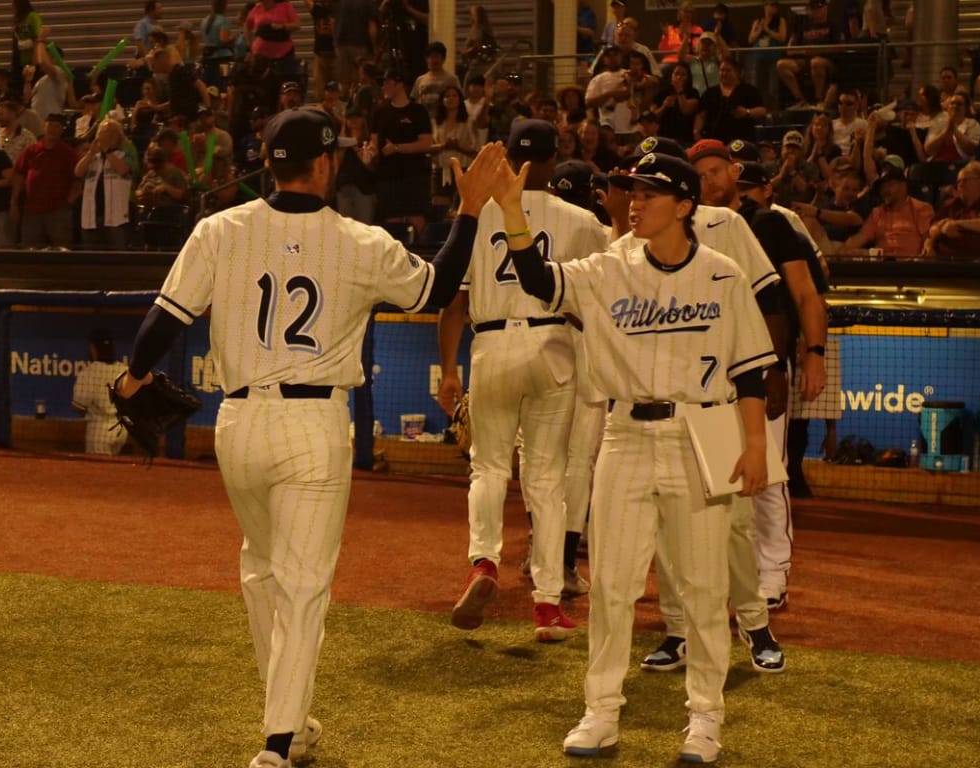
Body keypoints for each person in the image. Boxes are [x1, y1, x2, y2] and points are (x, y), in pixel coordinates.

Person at [111, 107, 507, 768]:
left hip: (238, 424)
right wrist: (467, 211)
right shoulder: (357, 240)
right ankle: (274, 744)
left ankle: (288, 726)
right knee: (301, 585)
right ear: (323, 164)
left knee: (261, 571)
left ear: (269, 161)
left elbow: (163, 320)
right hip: (313, 425)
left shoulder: (220, 228)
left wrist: (132, 378)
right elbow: (434, 288)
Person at [499, 150, 775, 765]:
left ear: (683, 206)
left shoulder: (724, 274)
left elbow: (751, 372)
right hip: (623, 434)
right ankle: (600, 712)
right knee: (614, 587)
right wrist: (515, 215)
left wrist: (754, 444)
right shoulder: (607, 267)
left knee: (704, 591)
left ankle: (705, 718)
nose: (634, 200)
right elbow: (541, 281)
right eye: (630, 189)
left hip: (702, 433)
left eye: (649, 192)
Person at [436, 119, 609, 643]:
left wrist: (448, 370)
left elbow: (453, 300)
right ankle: (547, 606)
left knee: (487, 467)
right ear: (555, 163)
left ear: (509, 160)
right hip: (553, 347)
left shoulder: (480, 213)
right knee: (547, 482)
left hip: (490, 345)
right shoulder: (582, 221)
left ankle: (484, 562)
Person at [689, 143, 826, 615]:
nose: (708, 181)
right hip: (707, 372)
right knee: (713, 478)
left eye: (715, 171)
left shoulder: (769, 223)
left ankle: (774, 571)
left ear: (735, 171)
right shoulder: (688, 229)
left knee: (767, 474)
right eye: (699, 174)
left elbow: (805, 293)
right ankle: (731, 573)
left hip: (762, 364)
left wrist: (813, 353)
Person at [371, 69, 434, 240]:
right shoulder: (380, 112)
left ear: (399, 84)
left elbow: (426, 143)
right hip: (387, 175)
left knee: (416, 215)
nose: (384, 86)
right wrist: (369, 153)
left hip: (413, 174)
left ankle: (422, 251)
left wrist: (397, 148)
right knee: (391, 218)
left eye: (387, 82)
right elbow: (374, 142)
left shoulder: (418, 111)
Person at [837, 157, 934, 258]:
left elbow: (928, 241)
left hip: (911, 267)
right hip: (882, 268)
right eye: (882, 187)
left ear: (903, 186)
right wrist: (844, 250)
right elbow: (860, 237)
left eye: (889, 185)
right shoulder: (877, 212)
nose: (884, 190)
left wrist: (925, 254)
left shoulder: (920, 208)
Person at [11, 113, 80, 248]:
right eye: (50, 125)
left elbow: (77, 179)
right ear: (44, 127)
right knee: (30, 249)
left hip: (57, 210)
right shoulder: (31, 150)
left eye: (57, 126)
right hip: (32, 210)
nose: (52, 129)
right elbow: (18, 175)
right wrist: (13, 202)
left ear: (62, 130)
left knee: (62, 248)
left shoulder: (68, 153)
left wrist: (68, 202)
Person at [925, 161, 980, 260]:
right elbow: (933, 228)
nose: (960, 184)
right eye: (958, 181)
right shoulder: (950, 204)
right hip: (947, 263)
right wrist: (939, 228)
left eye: (965, 180)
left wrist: (957, 224)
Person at [75, 119, 134, 250]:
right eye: (103, 132)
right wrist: (91, 152)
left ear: (118, 136)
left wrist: (107, 152)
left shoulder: (125, 155)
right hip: (92, 216)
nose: (107, 136)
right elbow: (78, 172)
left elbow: (123, 170)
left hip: (116, 218)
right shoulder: (93, 158)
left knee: (116, 258)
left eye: (111, 132)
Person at [71, 330, 131, 455]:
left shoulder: (89, 372)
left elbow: (78, 407)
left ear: (94, 349)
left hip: (99, 430)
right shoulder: (124, 369)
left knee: (96, 471)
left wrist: (95, 411)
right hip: (121, 429)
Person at [776, 0, 840, 110]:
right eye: (814, 8)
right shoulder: (803, 26)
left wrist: (818, 51)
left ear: (826, 8)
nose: (817, 11)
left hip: (827, 59)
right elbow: (790, 49)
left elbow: (839, 47)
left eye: (819, 7)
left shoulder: (833, 25)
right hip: (804, 59)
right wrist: (803, 51)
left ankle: (818, 100)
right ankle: (800, 100)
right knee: (781, 65)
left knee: (816, 62)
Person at [695, 55, 764, 145]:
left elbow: (762, 111)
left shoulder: (749, 90)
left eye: (728, 70)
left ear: (737, 72)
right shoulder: (710, 92)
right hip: (714, 141)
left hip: (741, 141)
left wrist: (747, 112)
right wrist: (696, 131)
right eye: (722, 70)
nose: (724, 73)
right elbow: (701, 115)